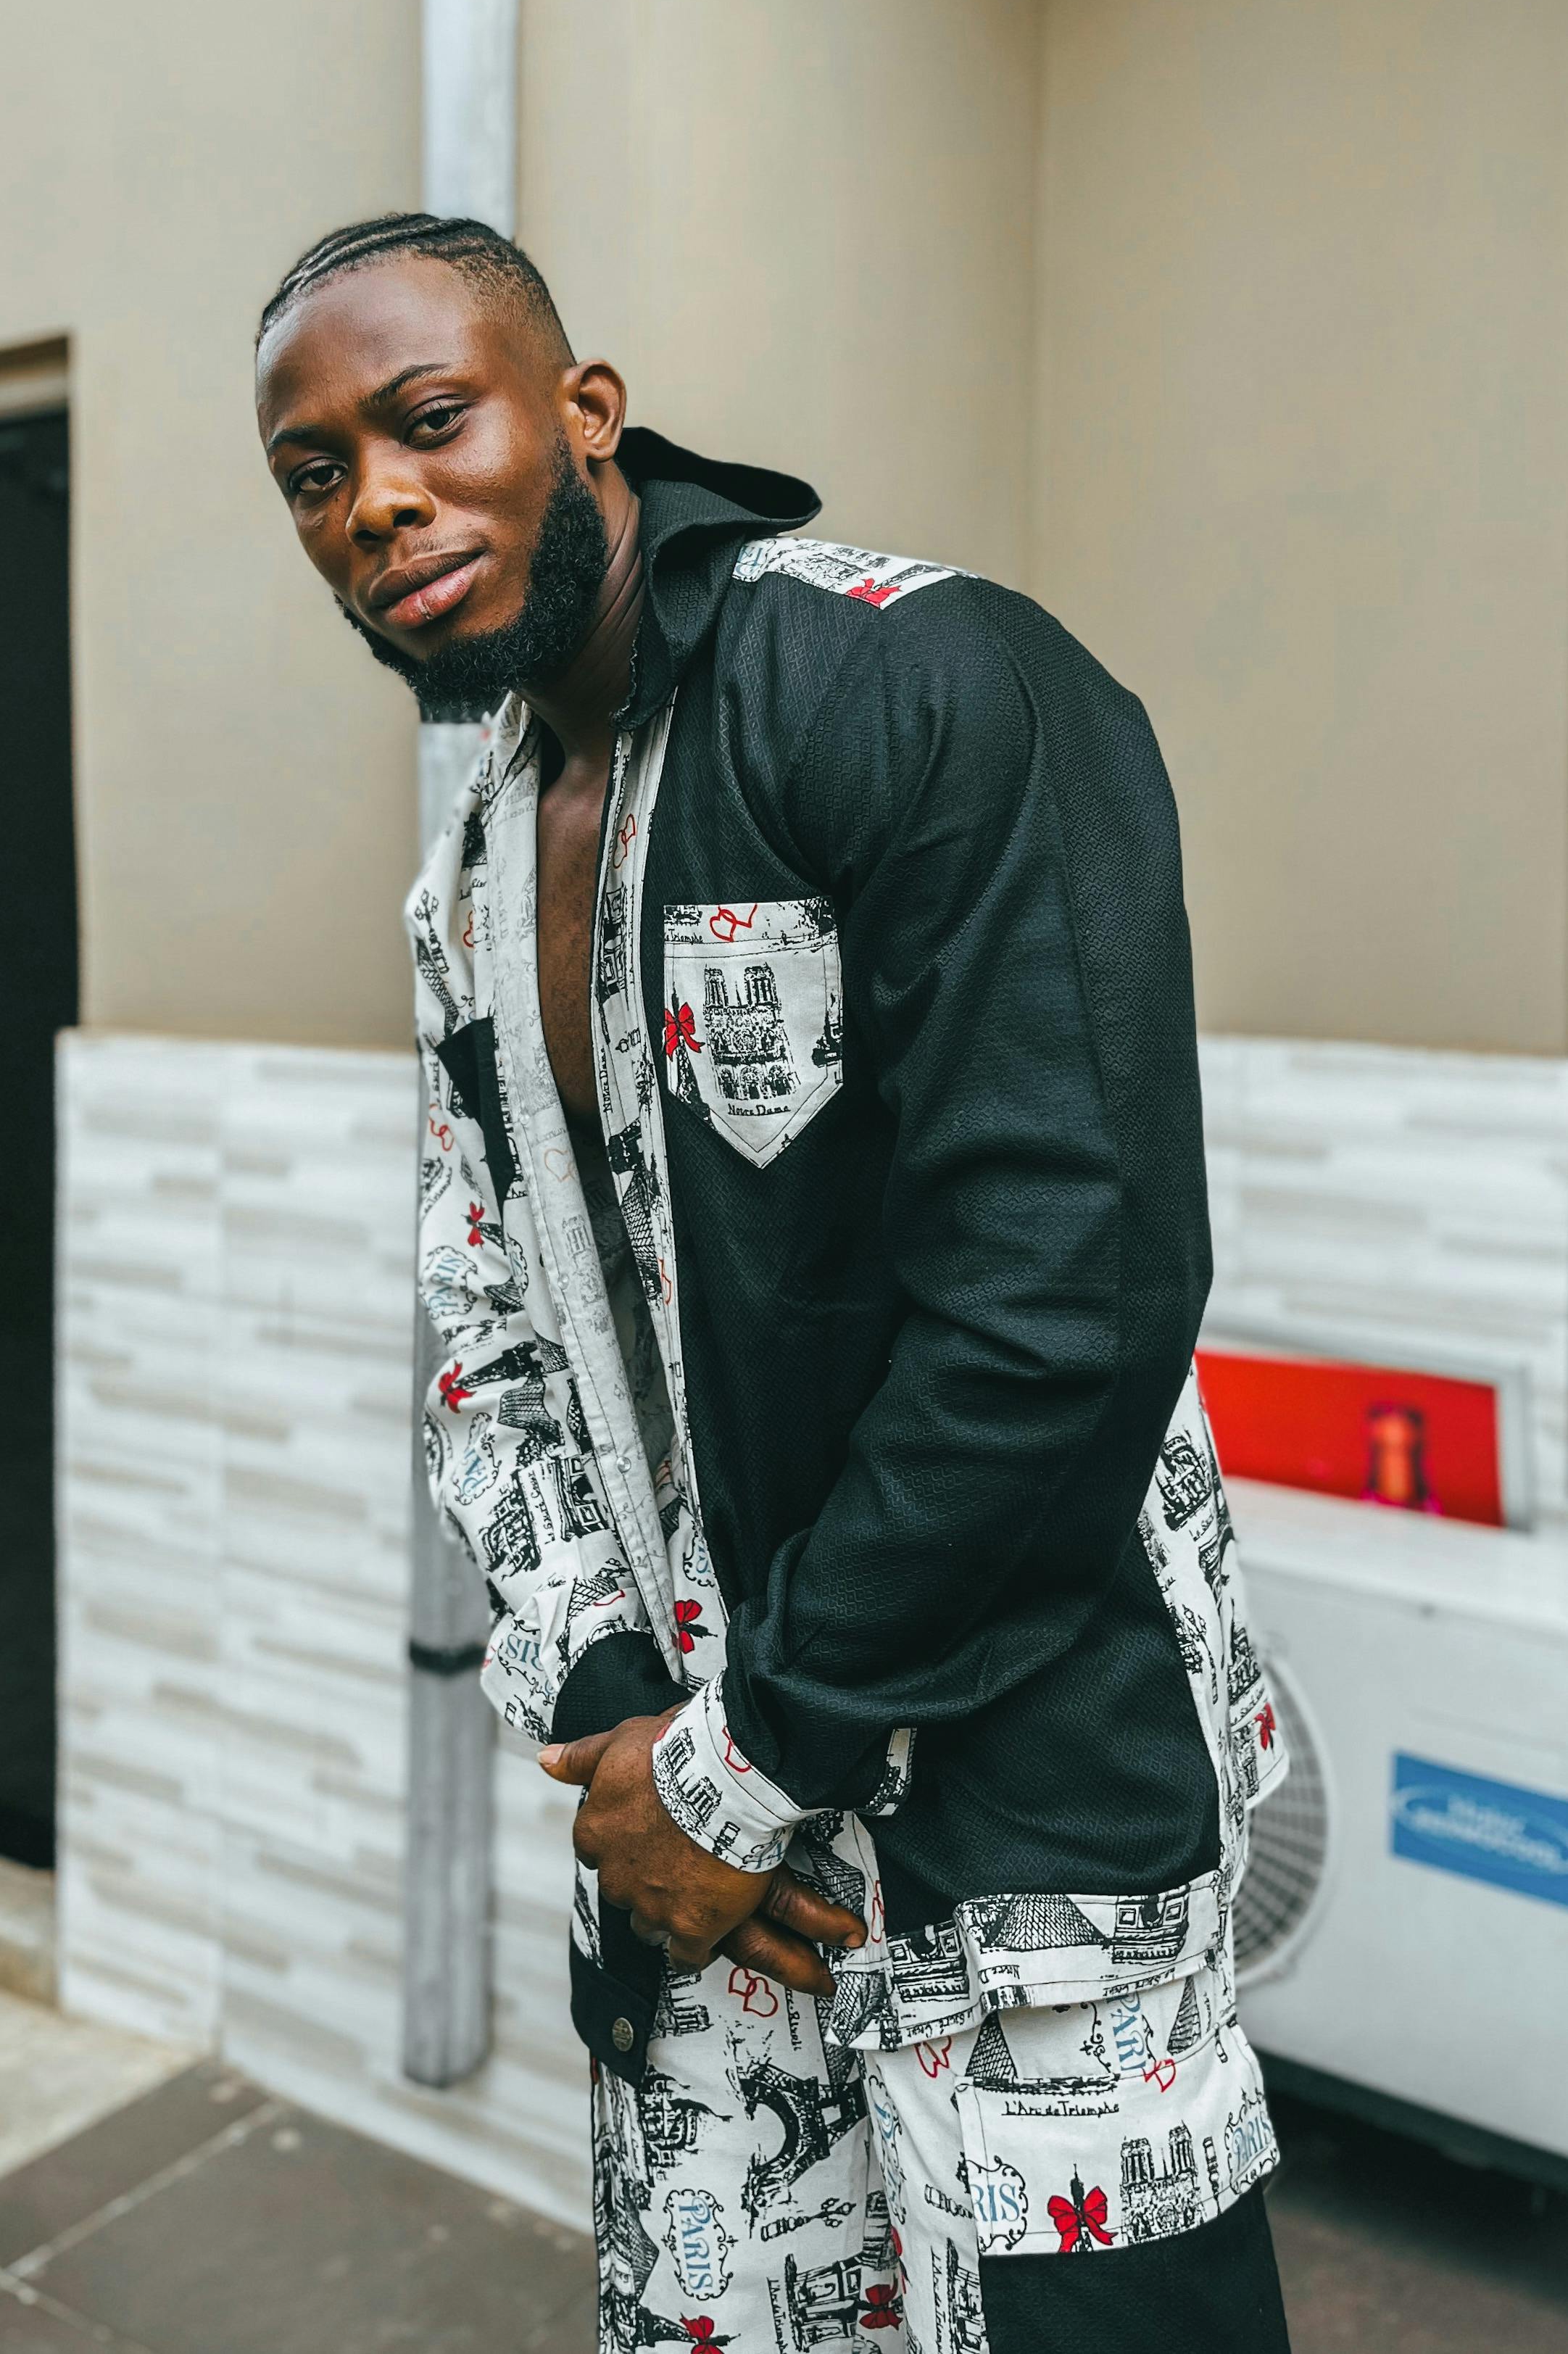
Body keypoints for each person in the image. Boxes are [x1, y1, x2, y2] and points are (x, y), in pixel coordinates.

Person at [255, 211, 1293, 2353]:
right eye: (315, 475)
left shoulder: (920, 677)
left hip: (1026, 1801)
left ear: (586, 412)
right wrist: (624, 1724)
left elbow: (1063, 1299)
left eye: (425, 421)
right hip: (700, 1856)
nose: (375, 501)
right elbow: (492, 1320)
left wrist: (750, 1759)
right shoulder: (464, 872)